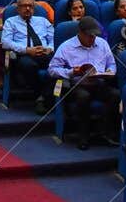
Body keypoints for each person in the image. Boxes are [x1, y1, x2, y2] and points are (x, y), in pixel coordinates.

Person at [48, 16, 118, 149]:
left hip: (98, 82)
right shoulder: (67, 47)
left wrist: (109, 71)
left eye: (94, 36)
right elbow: (52, 70)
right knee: (83, 97)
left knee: (115, 95)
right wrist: (71, 72)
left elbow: (112, 64)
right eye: (89, 36)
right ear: (80, 33)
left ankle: (106, 133)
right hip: (77, 84)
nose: (92, 39)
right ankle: (83, 135)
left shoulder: (102, 43)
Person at [1, 0, 55, 108]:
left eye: (30, 6)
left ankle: (43, 97)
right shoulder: (11, 22)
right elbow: (5, 42)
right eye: (24, 6)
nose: (27, 8)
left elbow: (53, 39)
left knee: (57, 65)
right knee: (29, 65)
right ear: (17, 8)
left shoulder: (43, 21)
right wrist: (26, 50)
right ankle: (41, 96)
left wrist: (49, 49)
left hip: (44, 53)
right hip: (23, 54)